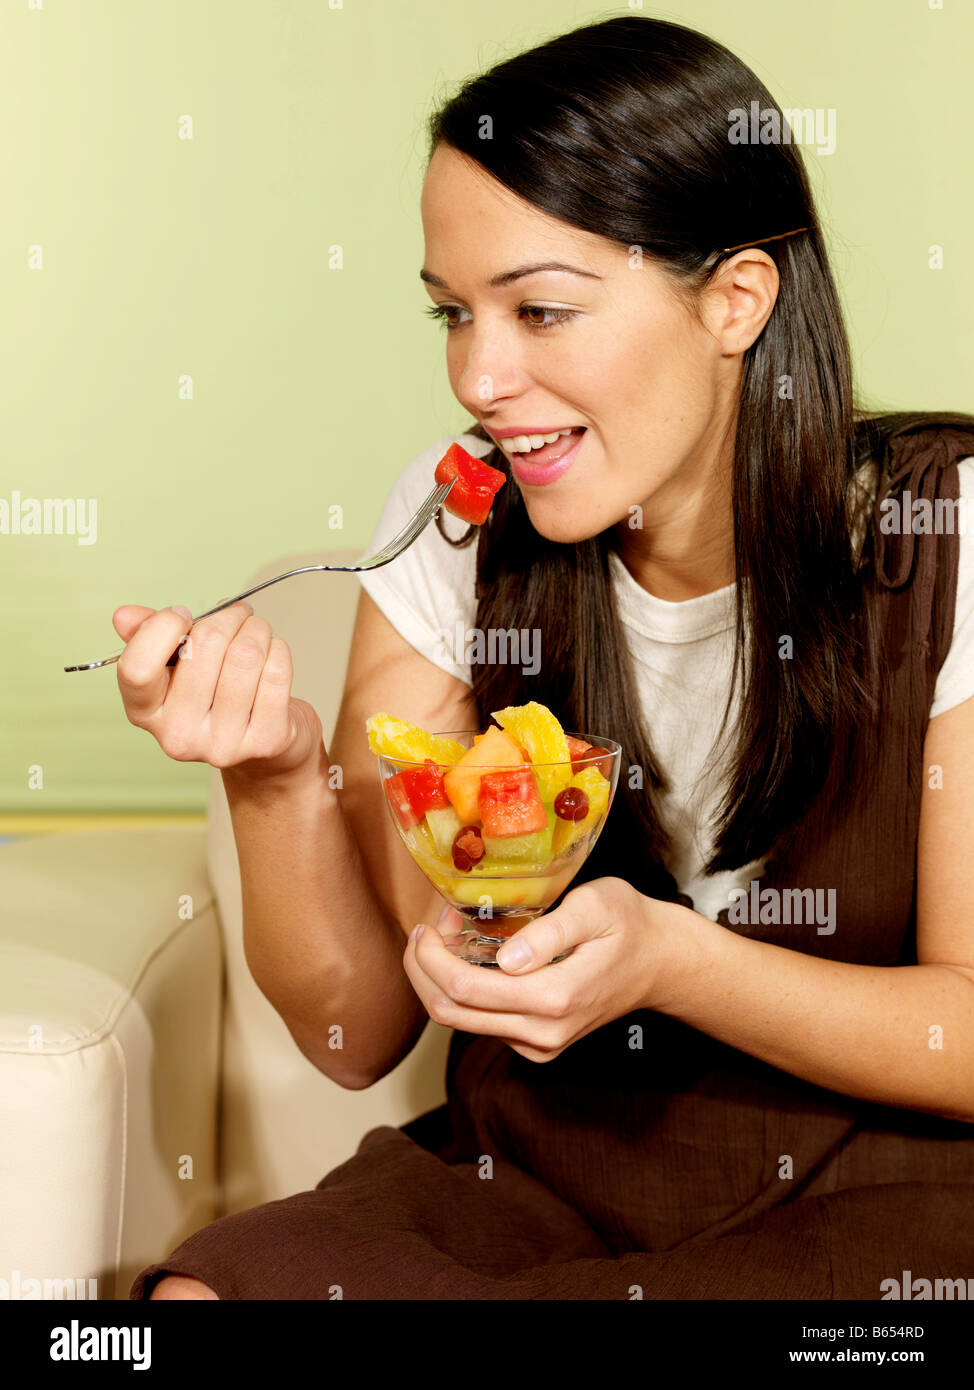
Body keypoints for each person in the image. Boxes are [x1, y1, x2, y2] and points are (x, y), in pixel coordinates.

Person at [120, 15, 974, 1300]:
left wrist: (676, 963)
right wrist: (278, 777)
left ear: (734, 300)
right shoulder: (450, 523)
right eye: (453, 314)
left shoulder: (942, 536)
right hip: (535, 1175)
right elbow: (356, 1035)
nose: (478, 371)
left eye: (540, 309)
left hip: (882, 1194)